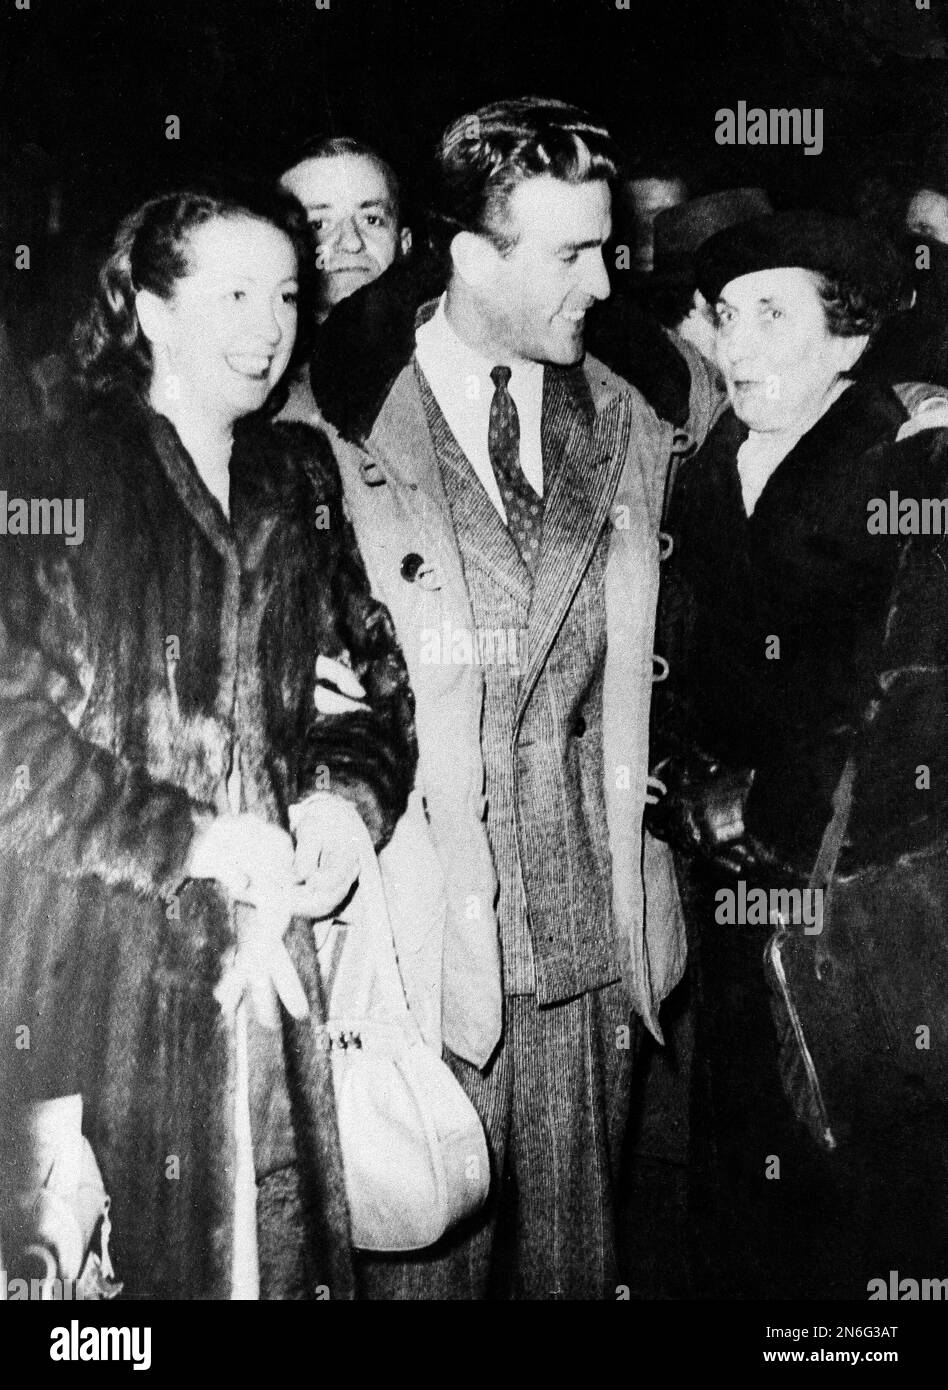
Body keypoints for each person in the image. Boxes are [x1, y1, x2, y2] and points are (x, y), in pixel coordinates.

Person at [306, 96, 724, 1300]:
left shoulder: (643, 412)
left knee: (577, 1280)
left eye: (606, 246)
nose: (604, 280)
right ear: (467, 255)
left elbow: (768, 427)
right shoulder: (330, 432)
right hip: (422, 949)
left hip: (594, 940)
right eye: (571, 255)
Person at [0, 183, 418, 1299]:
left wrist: (336, 812)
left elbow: (366, 691)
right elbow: (11, 744)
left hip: (276, 975)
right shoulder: (55, 477)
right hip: (96, 976)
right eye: (232, 292)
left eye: (284, 294)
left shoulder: (298, 475)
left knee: (273, 1253)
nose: (268, 324)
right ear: (147, 305)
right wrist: (194, 839)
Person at [649, 210, 948, 1298]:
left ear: (849, 340)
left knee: (851, 1185)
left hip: (850, 888)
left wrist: (765, 802)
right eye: (727, 316)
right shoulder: (710, 461)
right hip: (722, 884)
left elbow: (916, 699)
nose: (739, 344)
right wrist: (681, 777)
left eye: (775, 314)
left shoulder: (915, 461)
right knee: (741, 1167)